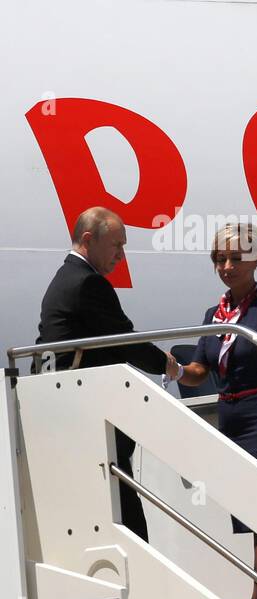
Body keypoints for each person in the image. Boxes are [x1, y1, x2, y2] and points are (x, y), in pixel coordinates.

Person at [171, 223, 257, 599]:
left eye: (234, 258)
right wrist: (175, 371)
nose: (227, 266)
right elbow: (200, 369)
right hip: (231, 417)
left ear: (255, 259)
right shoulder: (216, 314)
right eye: (219, 259)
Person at [34, 206, 180, 541]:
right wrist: (169, 367)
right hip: (94, 424)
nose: (122, 256)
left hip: (72, 417)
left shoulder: (63, 278)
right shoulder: (88, 284)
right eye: (117, 245)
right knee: (131, 528)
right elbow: (125, 340)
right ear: (88, 239)